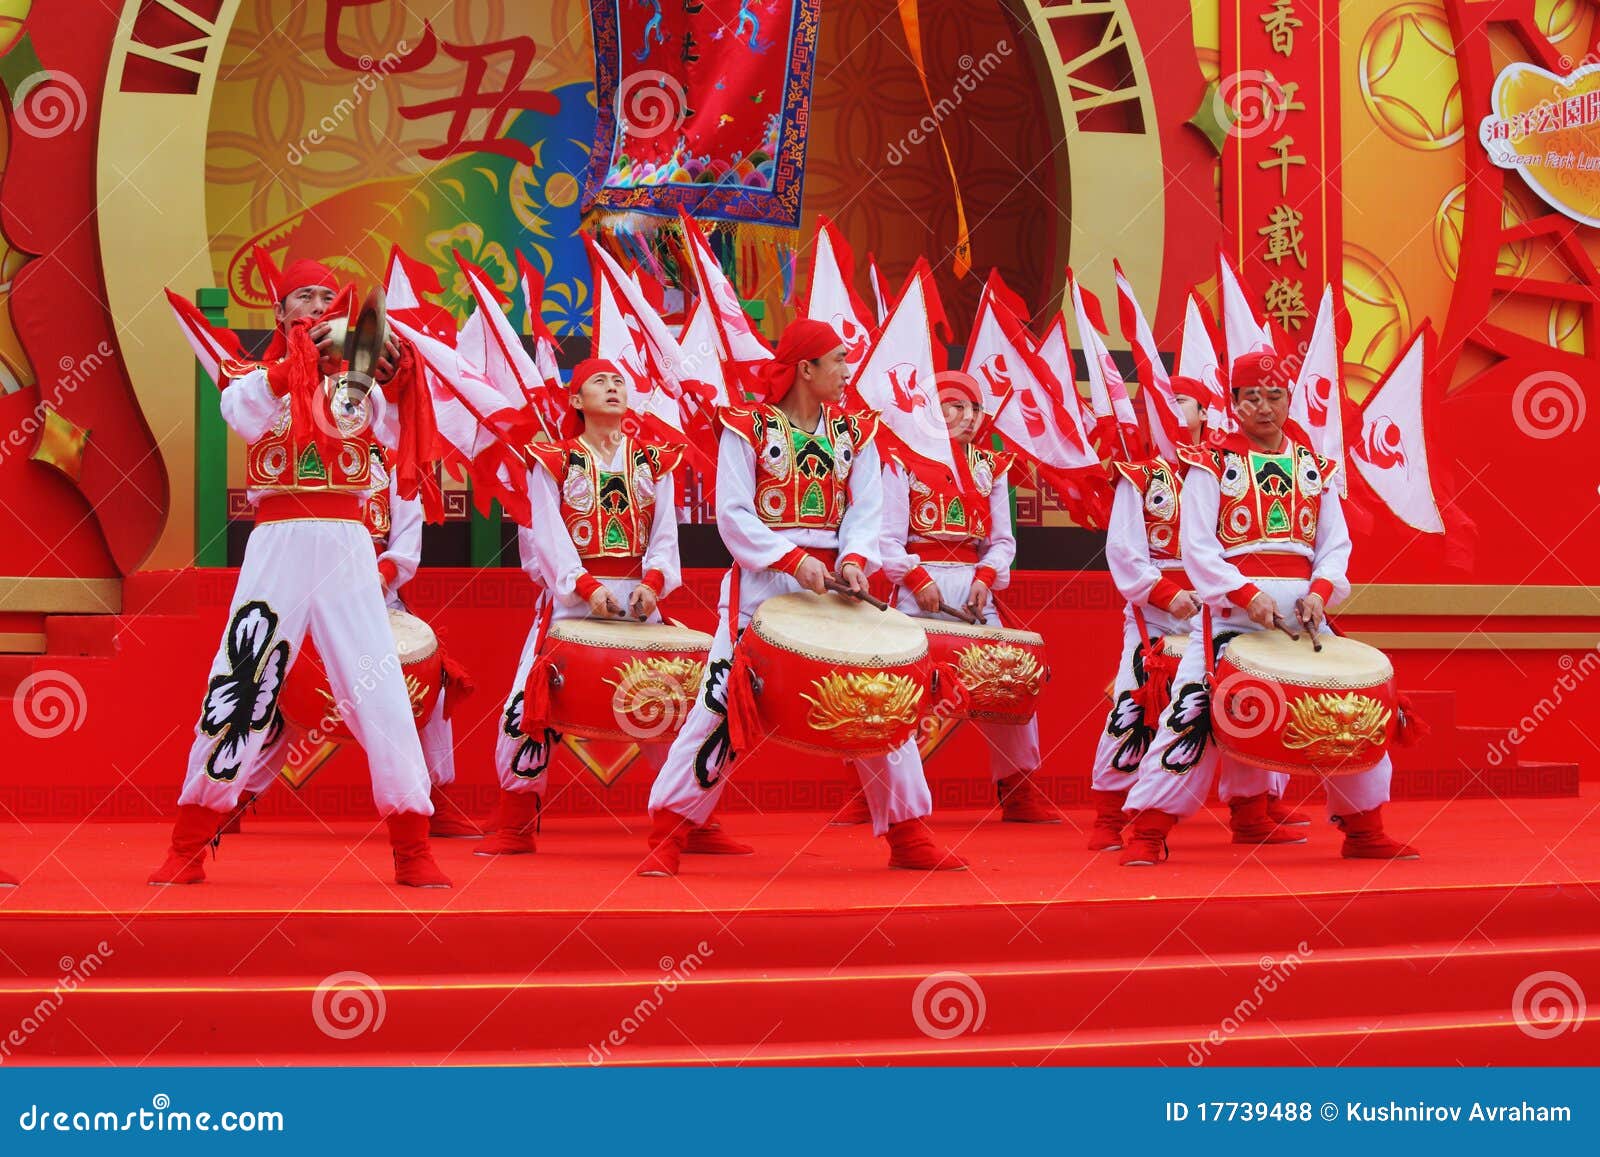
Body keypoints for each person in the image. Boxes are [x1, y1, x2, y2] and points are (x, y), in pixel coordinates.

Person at [148, 256, 450, 888]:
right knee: (242, 676)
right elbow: (241, 413)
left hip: (347, 542)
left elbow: (403, 435)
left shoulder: (358, 385)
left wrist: (399, 378)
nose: (314, 306)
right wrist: (291, 369)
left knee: (380, 686)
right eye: (302, 297)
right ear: (280, 311)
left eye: (324, 298)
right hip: (278, 540)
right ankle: (188, 843)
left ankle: (412, 847)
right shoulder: (253, 376)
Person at [640, 319, 965, 876]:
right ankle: (669, 832)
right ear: (805, 368)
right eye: (838, 359)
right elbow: (734, 515)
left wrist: (854, 561)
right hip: (762, 586)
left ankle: (909, 833)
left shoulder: (855, 431)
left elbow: (867, 509)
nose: (847, 371)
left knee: (877, 698)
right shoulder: (746, 427)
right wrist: (791, 559)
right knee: (721, 705)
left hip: (837, 586)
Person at [1119, 354, 1420, 866]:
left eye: (1274, 396)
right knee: (1192, 712)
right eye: (1252, 397)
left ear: (1288, 400)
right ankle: (1148, 829)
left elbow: (1334, 546)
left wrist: (1319, 593)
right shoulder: (1210, 463)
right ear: (1234, 403)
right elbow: (1198, 548)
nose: (1264, 407)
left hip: (1305, 617)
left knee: (1349, 708)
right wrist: (1244, 594)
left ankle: (1364, 829)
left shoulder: (1314, 467)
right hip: (1231, 618)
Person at [483, 358, 751, 857]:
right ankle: (515, 823)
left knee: (667, 706)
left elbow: (665, 534)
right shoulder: (553, 460)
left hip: (639, 599)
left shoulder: (653, 461)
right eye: (599, 382)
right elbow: (546, 536)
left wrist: (653, 584)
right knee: (529, 704)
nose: (612, 388)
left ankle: (693, 816)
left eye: (618, 381)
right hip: (570, 603)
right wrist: (585, 587)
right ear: (575, 400)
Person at [1087, 381, 1306, 851]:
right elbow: (1124, 551)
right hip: (1159, 616)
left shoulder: (1230, 466)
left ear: (1207, 412)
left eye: (1181, 400)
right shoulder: (1141, 475)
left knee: (1250, 703)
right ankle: (1110, 814)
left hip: (1229, 606)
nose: (1169, 408)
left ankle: (1254, 809)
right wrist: (1168, 595)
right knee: (1134, 704)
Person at [222, 443, 480, 839]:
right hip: (305, 596)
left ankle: (437, 802)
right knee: (281, 691)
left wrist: (376, 578)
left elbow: (406, 542)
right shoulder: (298, 446)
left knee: (430, 689)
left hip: (376, 599)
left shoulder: (393, 462)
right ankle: (233, 798)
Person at [878, 372, 1057, 823]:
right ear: (931, 411)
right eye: (956, 405)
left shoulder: (990, 466)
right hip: (918, 591)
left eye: (974, 408)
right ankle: (876, 792)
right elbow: (886, 540)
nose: (968, 416)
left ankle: (1018, 788)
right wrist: (916, 579)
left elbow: (1002, 541)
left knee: (1009, 680)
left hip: (975, 592)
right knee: (899, 691)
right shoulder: (901, 459)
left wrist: (986, 577)